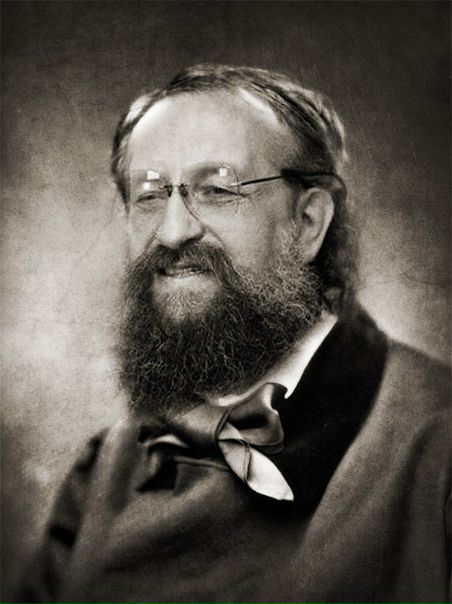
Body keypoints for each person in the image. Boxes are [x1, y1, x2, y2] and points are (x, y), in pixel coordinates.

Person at [16, 65, 450, 603]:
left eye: (218, 189)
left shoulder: (437, 446)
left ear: (308, 223)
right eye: (149, 194)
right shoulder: (107, 468)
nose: (173, 231)